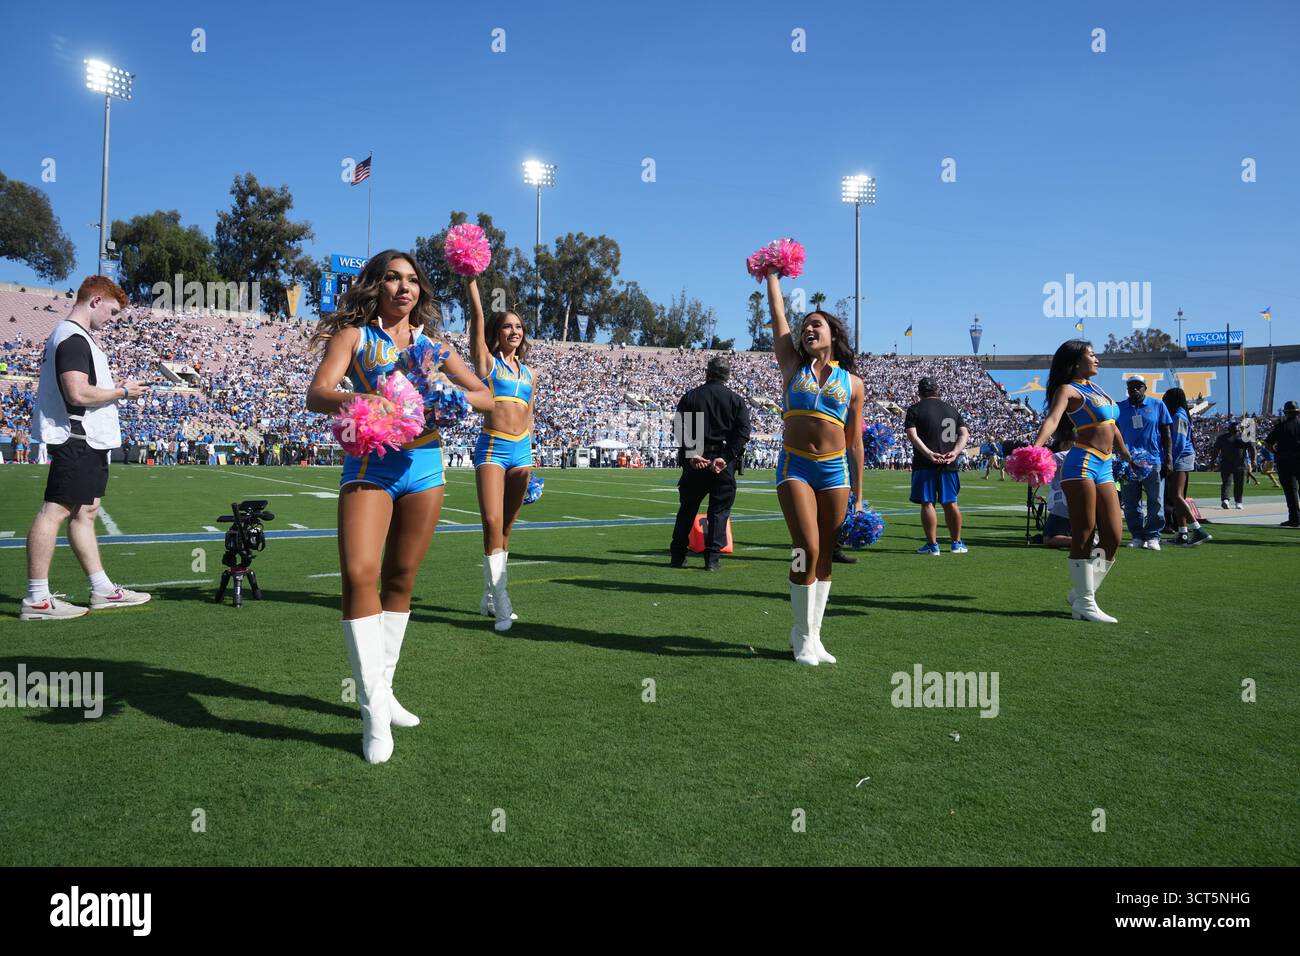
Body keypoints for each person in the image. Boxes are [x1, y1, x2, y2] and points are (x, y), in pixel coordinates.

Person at [306, 250, 494, 764]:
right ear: (376, 285)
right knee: (359, 572)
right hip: (371, 464)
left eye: (412, 280)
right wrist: (362, 403)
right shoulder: (355, 336)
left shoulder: (434, 346)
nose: (403, 287)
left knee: (401, 579)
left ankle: (384, 693)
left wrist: (444, 391)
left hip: (426, 466)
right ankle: (371, 712)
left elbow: (486, 398)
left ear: (421, 291)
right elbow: (317, 393)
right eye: (392, 278)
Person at [21, 276, 153, 621]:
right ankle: (37, 598)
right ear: (95, 300)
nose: (112, 319)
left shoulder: (77, 339)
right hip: (76, 437)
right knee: (56, 511)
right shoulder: (73, 338)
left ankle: (103, 590)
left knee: (86, 512)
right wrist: (123, 392)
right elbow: (77, 393)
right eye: (111, 310)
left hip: (87, 439)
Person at [765, 269, 864, 666]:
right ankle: (802, 636)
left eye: (816, 325)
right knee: (805, 548)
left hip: (836, 472)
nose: (808, 330)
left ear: (833, 335)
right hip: (796, 466)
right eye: (805, 326)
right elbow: (778, 318)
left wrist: (860, 491)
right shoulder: (792, 365)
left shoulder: (853, 383)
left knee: (825, 554)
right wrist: (772, 276)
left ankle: (813, 637)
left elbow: (854, 441)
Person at [1031, 340, 1134, 623]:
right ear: (1076, 362)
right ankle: (1086, 603)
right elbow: (1052, 419)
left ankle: (1080, 594)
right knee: (1085, 533)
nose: (1097, 359)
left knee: (1113, 535)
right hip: (1083, 463)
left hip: (1106, 465)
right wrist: (1036, 448)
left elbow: (1111, 425)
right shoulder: (1069, 390)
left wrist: (1125, 452)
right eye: (1091, 355)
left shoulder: (1097, 389)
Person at [465, 278, 538, 631]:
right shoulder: (489, 365)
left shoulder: (529, 374)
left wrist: (533, 460)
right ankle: (503, 600)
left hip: (521, 451)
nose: (514, 331)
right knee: (491, 523)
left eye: (519, 326)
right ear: (498, 332)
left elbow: (530, 414)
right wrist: (472, 286)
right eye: (508, 326)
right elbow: (477, 325)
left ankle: (489, 596)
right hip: (492, 447)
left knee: (506, 529)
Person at [669, 355, 751, 571]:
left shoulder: (693, 396)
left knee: (687, 509)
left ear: (708, 373)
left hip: (696, 460)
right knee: (719, 511)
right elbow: (742, 433)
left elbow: (680, 427)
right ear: (727, 376)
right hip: (722, 463)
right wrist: (726, 457)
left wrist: (693, 453)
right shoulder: (735, 400)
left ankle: (678, 555)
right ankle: (712, 559)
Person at [904, 377, 970, 555]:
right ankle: (956, 543)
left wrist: (929, 453)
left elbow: (912, 435)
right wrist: (955, 452)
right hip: (949, 464)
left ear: (920, 392)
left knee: (927, 503)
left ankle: (933, 546)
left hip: (925, 463)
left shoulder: (915, 409)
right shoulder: (951, 409)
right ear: (937, 391)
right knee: (951, 503)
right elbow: (964, 434)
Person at [1116, 377, 1173, 550]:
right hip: (1128, 462)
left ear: (1145, 388)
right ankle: (1137, 536)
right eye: (1131, 387)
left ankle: (1153, 536)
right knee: (1130, 501)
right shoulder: (1119, 408)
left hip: (1153, 460)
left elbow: (1166, 433)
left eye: (1138, 387)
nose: (1135, 390)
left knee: (1156, 500)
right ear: (1127, 388)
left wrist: (1169, 458)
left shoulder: (1157, 405)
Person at [1162, 387, 1211, 546]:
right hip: (1182, 457)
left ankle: (1198, 530)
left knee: (1176, 495)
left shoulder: (1179, 415)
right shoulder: (1179, 414)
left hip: (1181, 457)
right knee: (1177, 496)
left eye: (1166, 398)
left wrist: (1170, 461)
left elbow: (1179, 442)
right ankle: (1182, 533)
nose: (1164, 401)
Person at [1264, 399, 1300, 527]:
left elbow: (1268, 444)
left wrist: (1276, 453)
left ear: (1286, 412)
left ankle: (1295, 518)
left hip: (1285, 460)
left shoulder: (1281, 426)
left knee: (1291, 492)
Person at [1041, 422, 1075, 549]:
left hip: (1063, 503)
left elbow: (1042, 467)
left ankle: (1082, 541)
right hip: (1079, 501)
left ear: (1064, 443)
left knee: (1048, 538)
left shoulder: (1059, 456)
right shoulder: (1082, 454)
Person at [1209, 421, 1252, 510]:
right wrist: (1253, 460)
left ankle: (1228, 500)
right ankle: (1236, 501)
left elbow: (1215, 451)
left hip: (1232, 463)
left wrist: (1212, 461)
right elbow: (1253, 449)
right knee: (1236, 484)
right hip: (1235, 464)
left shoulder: (1223, 438)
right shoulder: (1240, 438)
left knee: (1228, 483)